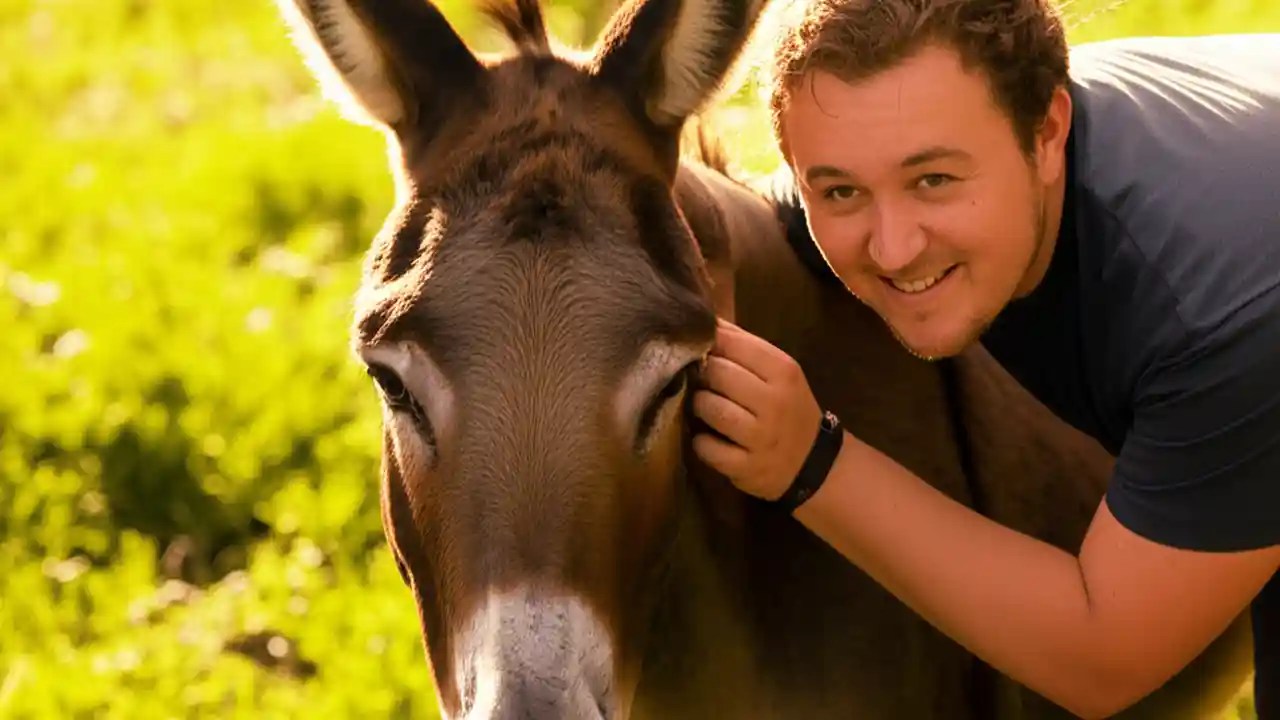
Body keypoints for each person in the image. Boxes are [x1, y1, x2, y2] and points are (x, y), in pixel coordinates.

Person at [688, 0, 1280, 716]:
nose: (893, 247)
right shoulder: (961, 129)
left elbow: (1105, 658)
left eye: (933, 181)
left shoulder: (1221, 315)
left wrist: (811, 464)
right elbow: (749, 211)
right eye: (840, 191)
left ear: (1048, 132)